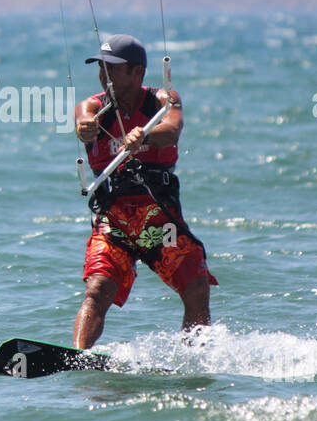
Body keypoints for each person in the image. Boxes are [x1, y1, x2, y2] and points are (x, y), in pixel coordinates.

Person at [73, 34, 217, 348]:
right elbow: (83, 119)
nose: (104, 76)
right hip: (115, 219)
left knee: (196, 287)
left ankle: (197, 360)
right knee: (98, 289)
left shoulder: (162, 100)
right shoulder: (93, 106)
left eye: (112, 69)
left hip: (158, 220)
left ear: (137, 73)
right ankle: (78, 357)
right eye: (101, 69)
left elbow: (172, 129)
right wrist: (85, 126)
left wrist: (145, 138)